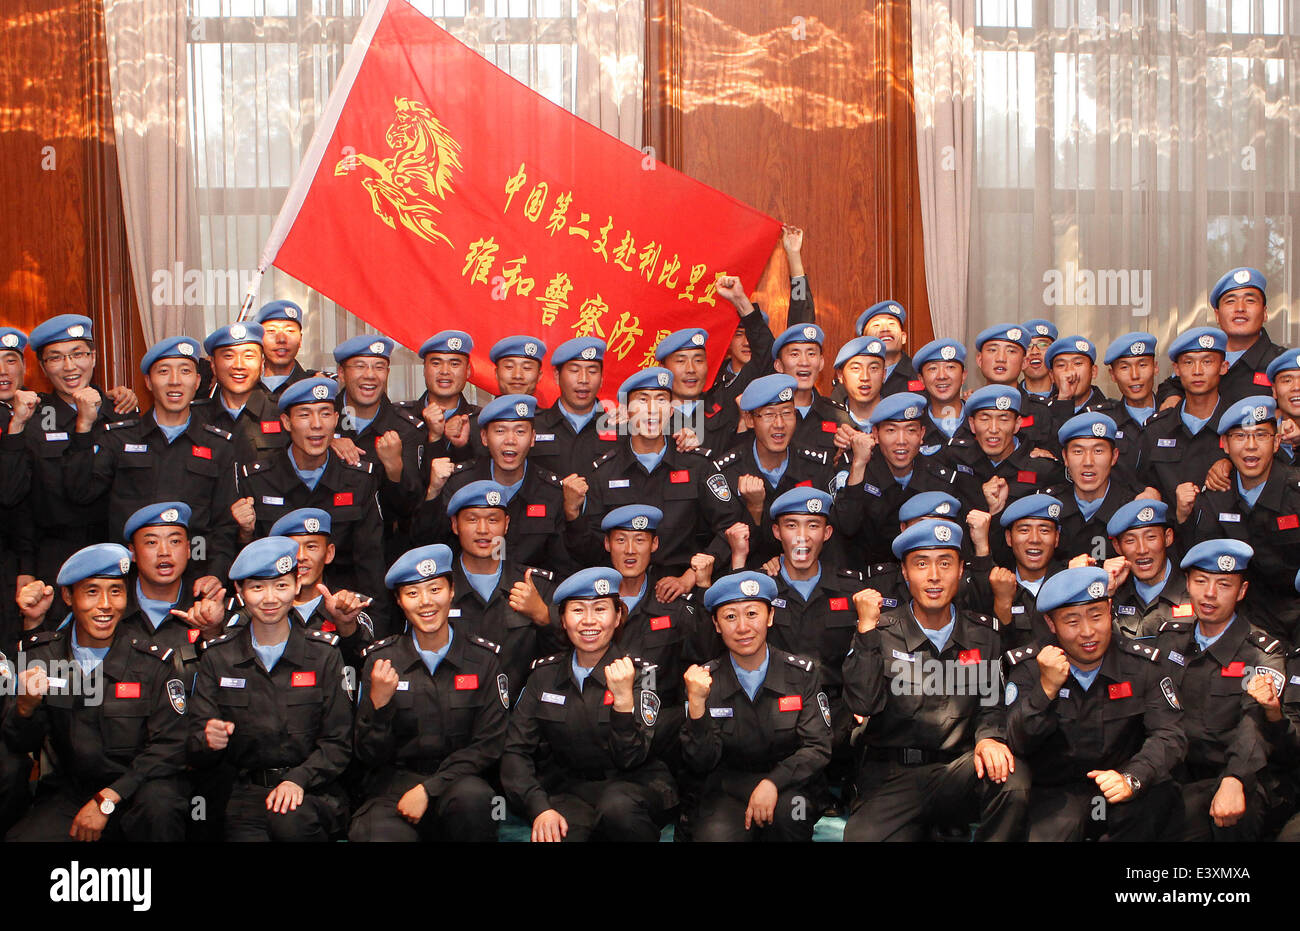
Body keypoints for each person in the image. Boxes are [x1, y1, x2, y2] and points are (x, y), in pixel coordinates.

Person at [842, 519, 1028, 841]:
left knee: (1015, 779)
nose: (933, 576)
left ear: (960, 570)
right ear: (904, 572)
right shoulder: (880, 633)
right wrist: (866, 633)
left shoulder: (983, 636)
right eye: (921, 564)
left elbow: (991, 706)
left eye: (945, 563)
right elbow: (863, 703)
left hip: (958, 772)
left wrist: (988, 738)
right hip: (893, 776)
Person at [4, 543, 188, 842]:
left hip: (140, 791)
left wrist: (110, 798)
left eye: (116, 591)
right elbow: (19, 743)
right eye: (92, 592)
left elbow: (172, 746)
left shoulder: (153, 661)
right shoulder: (44, 656)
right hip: (73, 791)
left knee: (161, 806)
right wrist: (24, 707)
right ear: (68, 597)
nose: (106, 604)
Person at [188, 536, 353, 841]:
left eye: (280, 585)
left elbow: (338, 743)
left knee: (290, 822)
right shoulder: (218, 657)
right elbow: (196, 747)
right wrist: (207, 740)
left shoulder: (324, 654)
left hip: (312, 793)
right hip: (245, 796)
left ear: (297, 584)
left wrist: (298, 780)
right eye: (257, 587)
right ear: (240, 591)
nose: (269, 598)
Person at [1004, 566, 1186, 841]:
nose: (1088, 632)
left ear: (1110, 610)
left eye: (1097, 616)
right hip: (1056, 795)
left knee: (1162, 796)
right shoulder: (1030, 667)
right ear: (1051, 624)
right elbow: (1017, 742)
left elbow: (1170, 734)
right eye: (1072, 622)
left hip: (1124, 784)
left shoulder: (1142, 664)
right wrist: (1046, 689)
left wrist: (1133, 777)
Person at [501, 566, 675, 842]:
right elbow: (515, 752)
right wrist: (539, 808)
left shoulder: (643, 675)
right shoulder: (543, 676)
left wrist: (622, 702)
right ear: (563, 619)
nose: (589, 621)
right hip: (570, 792)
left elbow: (631, 757)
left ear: (618, 616)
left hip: (634, 787)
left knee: (616, 809)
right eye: (578, 610)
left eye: (600, 609)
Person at [349, 544, 507, 842]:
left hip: (459, 782)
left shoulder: (483, 660)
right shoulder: (380, 661)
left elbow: (489, 744)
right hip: (393, 786)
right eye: (412, 593)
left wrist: (428, 789)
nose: (425, 602)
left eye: (434, 589)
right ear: (398, 601)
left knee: (475, 800)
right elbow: (368, 755)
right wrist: (379, 706)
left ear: (451, 592)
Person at [64, 335, 239, 584]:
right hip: (127, 580)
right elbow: (80, 493)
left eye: (185, 371)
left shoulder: (218, 445)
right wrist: (83, 428)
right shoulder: (118, 438)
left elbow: (225, 525)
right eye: (164, 372)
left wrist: (215, 574)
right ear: (148, 381)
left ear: (197, 380)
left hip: (195, 579)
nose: (175, 381)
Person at [564, 368, 746, 601]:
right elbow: (590, 550)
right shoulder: (604, 471)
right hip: (620, 594)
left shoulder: (696, 465)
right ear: (626, 412)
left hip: (681, 591)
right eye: (642, 400)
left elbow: (729, 527)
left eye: (660, 400)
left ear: (671, 411)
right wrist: (572, 514)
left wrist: (689, 577)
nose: (651, 410)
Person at [679, 571, 831, 842]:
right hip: (727, 790)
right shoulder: (704, 681)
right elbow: (700, 762)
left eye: (752, 614)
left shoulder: (802, 674)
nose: (742, 628)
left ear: (770, 617)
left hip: (791, 786)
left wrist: (773, 782)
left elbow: (817, 747)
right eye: (730, 617)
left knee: (792, 818)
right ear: (716, 624)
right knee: (713, 837)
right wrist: (698, 706)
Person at [233, 376, 389, 634]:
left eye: (325, 414)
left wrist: (369, 633)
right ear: (286, 422)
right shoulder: (258, 479)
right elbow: (248, 560)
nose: (317, 425)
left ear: (336, 420)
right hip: (273, 614)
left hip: (341, 615)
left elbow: (371, 565)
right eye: (305, 415)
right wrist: (244, 533)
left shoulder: (358, 480)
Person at [1154, 539, 1284, 841]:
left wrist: (1235, 778)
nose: (1210, 594)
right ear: (1187, 583)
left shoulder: (1262, 653)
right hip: (1173, 770)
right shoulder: (1169, 639)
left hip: (1235, 774)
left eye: (1224, 585)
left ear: (1241, 591)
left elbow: (1255, 724)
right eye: (1201, 581)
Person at [13, 314, 138, 590]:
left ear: (93, 358)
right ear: (44, 368)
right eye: (56, 357)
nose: (69, 366)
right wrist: (27, 567)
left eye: (78, 354)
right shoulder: (33, 419)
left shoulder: (122, 411)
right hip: (55, 558)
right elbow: (21, 503)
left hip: (118, 555)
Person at [1177, 394, 1300, 641]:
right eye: (1240, 436)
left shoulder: (1295, 492)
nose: (1251, 446)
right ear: (1224, 444)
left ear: (1276, 443)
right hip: (1238, 626)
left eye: (1261, 435)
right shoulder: (1214, 496)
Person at [415, 393, 571, 575]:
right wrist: (433, 491)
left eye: (520, 431)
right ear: (484, 437)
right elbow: (426, 543)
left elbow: (562, 566)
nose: (510, 440)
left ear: (533, 438)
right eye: (500, 431)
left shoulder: (550, 491)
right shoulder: (460, 483)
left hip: (529, 594)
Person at [441, 480, 561, 698]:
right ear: (455, 525)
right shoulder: (436, 589)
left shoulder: (535, 586)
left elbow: (563, 659)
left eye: (493, 520)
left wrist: (543, 616)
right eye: (472, 519)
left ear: (506, 524)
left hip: (518, 716)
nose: (483, 530)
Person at [712, 374, 835, 570]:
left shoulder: (817, 466)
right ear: (749, 419)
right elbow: (726, 543)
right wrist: (754, 510)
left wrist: (785, 561)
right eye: (769, 415)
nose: (779, 424)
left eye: (787, 413)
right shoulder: (726, 472)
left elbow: (829, 536)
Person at [830, 392, 964, 567]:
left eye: (910, 430)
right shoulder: (858, 469)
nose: (901, 441)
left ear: (922, 434)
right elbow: (847, 526)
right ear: (875, 435)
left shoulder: (940, 480)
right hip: (866, 582)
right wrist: (859, 463)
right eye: (891, 430)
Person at [1157, 267, 1284, 407]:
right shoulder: (1204, 355)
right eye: (1230, 301)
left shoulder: (1282, 363)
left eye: (1250, 300)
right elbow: (1170, 385)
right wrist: (1172, 397)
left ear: (1265, 313)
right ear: (1217, 315)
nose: (1240, 308)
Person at [1138, 326, 1233, 504]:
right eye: (1188, 362)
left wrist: (1231, 464)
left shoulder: (1239, 427)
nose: (1197, 371)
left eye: (1207, 362)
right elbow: (1142, 486)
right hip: (1172, 530)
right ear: (1177, 369)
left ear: (1223, 367)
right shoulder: (1157, 430)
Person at [1041, 412, 1152, 561]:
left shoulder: (1132, 507)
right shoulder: (1048, 506)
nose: (1088, 461)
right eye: (1078, 451)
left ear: (1114, 457)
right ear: (1065, 457)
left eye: (1098, 451)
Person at [967, 494, 1065, 650]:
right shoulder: (995, 582)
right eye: (1024, 530)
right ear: (1009, 538)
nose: (1034, 539)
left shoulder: (1069, 582)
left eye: (1044, 530)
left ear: (1057, 538)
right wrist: (1003, 603)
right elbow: (991, 653)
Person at [194, 322, 287, 467]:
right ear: (212, 364)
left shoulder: (284, 415)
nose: (239, 365)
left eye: (249, 356)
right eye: (228, 356)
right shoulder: (194, 419)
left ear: (262, 363)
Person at [529, 336, 618, 480]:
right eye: (574, 370)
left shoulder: (620, 428)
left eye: (592, 371)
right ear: (557, 376)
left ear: (601, 379)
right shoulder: (534, 426)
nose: (584, 379)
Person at [1105, 499, 1192, 640]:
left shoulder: (1194, 590)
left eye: (1151, 537)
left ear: (1168, 538)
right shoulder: (1113, 594)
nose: (1142, 550)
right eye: (1130, 541)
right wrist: (1107, 594)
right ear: (1117, 546)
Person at [1094, 332, 1159, 482]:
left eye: (1142, 365)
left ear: (1155, 368)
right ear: (1113, 375)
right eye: (1124, 367)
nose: (1135, 375)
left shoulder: (1173, 417)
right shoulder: (1104, 421)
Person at [911, 338, 970, 457]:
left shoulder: (980, 422)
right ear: (921, 379)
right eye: (933, 368)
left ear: (963, 376)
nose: (942, 376)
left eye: (950, 367)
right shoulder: (913, 427)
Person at [254, 300, 319, 401]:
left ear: (300, 340)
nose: (281, 339)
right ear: (259, 339)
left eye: (290, 331)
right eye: (271, 331)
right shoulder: (244, 386)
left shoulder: (314, 386)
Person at [856, 301, 919, 397]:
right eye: (876, 325)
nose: (885, 329)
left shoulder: (920, 375)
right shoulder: (853, 377)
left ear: (903, 337)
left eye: (891, 324)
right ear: (864, 340)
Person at [1020, 319, 1058, 398]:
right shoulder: (1011, 399)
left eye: (1043, 345)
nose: (1035, 352)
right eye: (1028, 346)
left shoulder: (1068, 398)